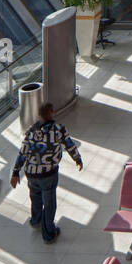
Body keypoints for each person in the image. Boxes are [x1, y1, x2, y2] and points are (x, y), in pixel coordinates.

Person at [10, 102, 82, 244]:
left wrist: (15, 172)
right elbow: (69, 145)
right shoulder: (58, 129)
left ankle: (36, 221)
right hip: (48, 174)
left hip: (31, 173)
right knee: (49, 204)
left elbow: (23, 152)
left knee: (35, 197)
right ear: (52, 112)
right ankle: (48, 233)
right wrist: (78, 159)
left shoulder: (31, 131)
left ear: (39, 115)